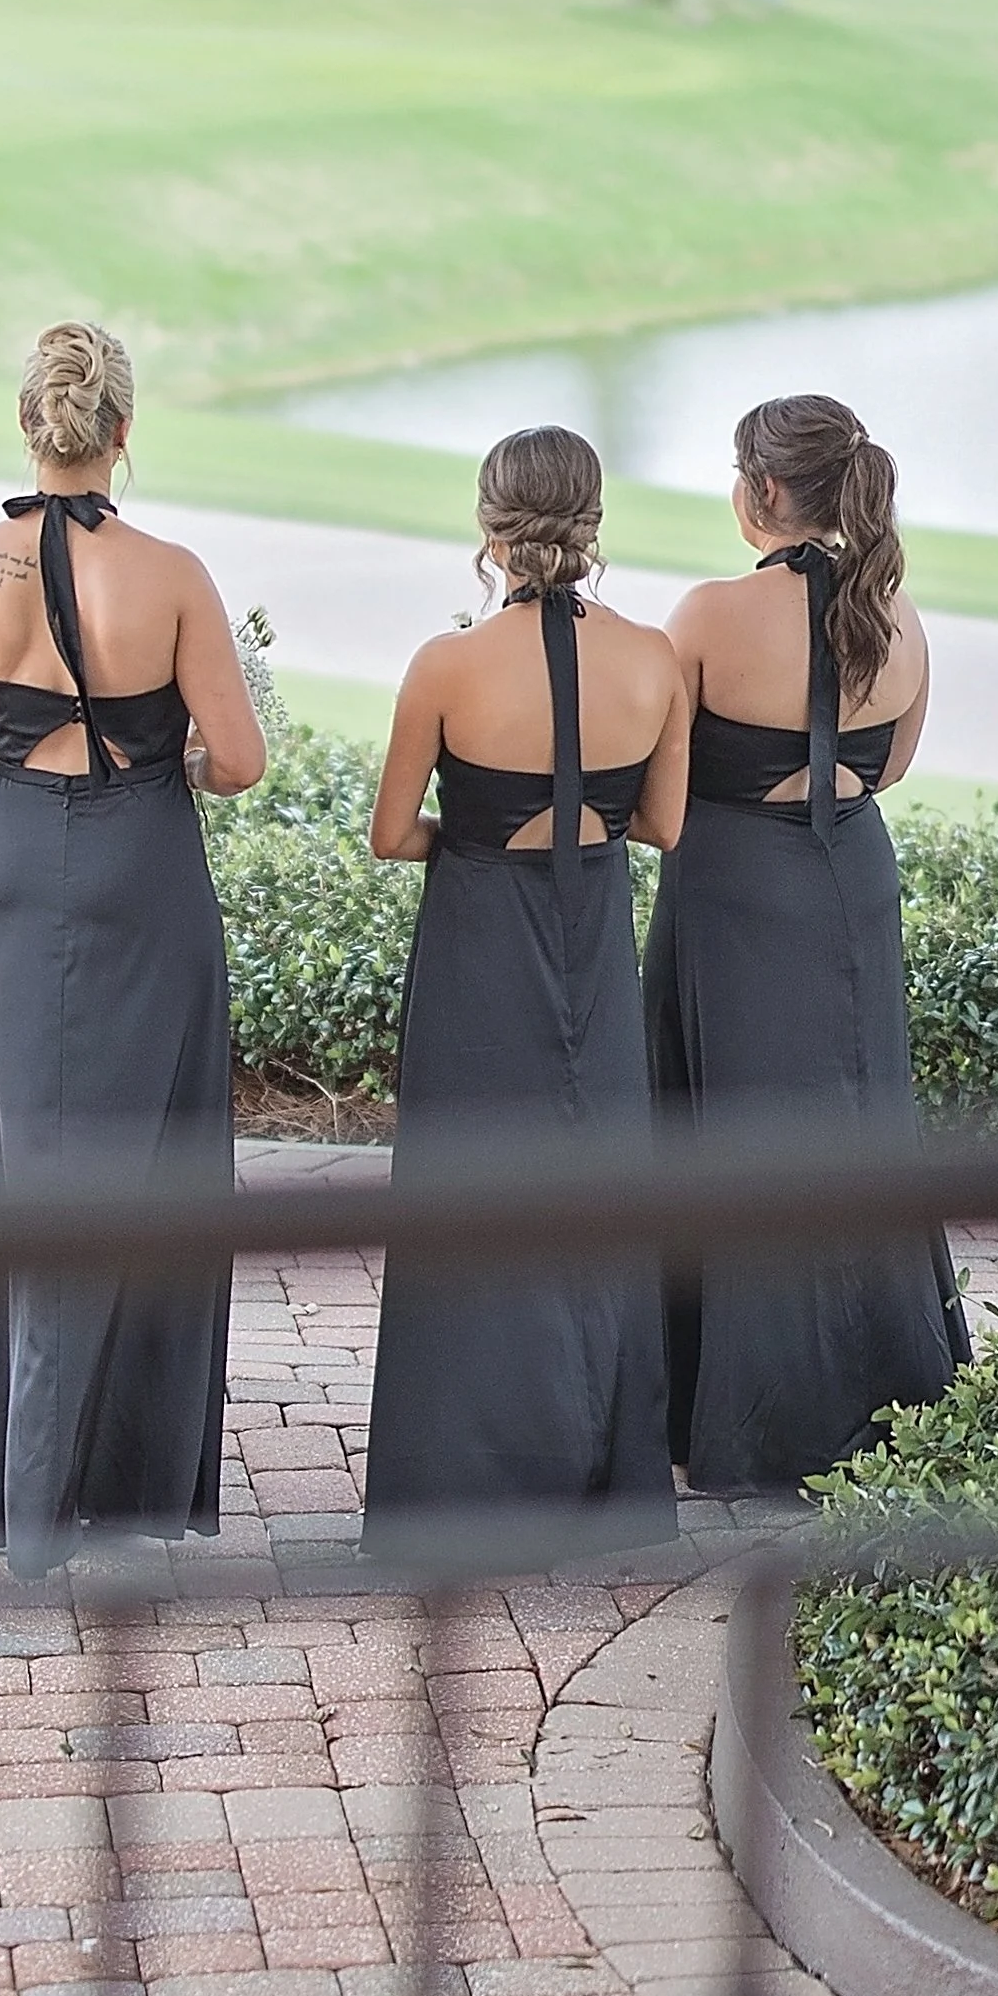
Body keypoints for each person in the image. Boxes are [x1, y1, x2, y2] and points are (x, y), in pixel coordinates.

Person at [0, 320, 266, 1575]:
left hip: (12, 865)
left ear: (25, 425)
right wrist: (161, 747)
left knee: (22, 1161)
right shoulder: (170, 573)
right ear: (121, 433)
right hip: (141, 867)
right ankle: (113, 1474)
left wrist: (9, 699)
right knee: (143, 1160)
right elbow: (241, 760)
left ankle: (24, 1485)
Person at [644, 391, 970, 1495]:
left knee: (727, 1131)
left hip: (733, 892)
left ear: (761, 491)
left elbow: (659, 791)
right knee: (860, 1118)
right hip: (850, 884)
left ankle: (731, 1419)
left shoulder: (704, 615)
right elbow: (890, 769)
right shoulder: (902, 617)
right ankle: (887, 1401)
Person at [362, 427, 688, 1528]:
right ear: (592, 522)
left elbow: (390, 830)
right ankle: (600, 1472)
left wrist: (477, 836)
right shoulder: (654, 659)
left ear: (487, 525)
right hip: (590, 931)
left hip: (475, 939)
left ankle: (460, 1469)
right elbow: (662, 821)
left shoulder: (444, 665)